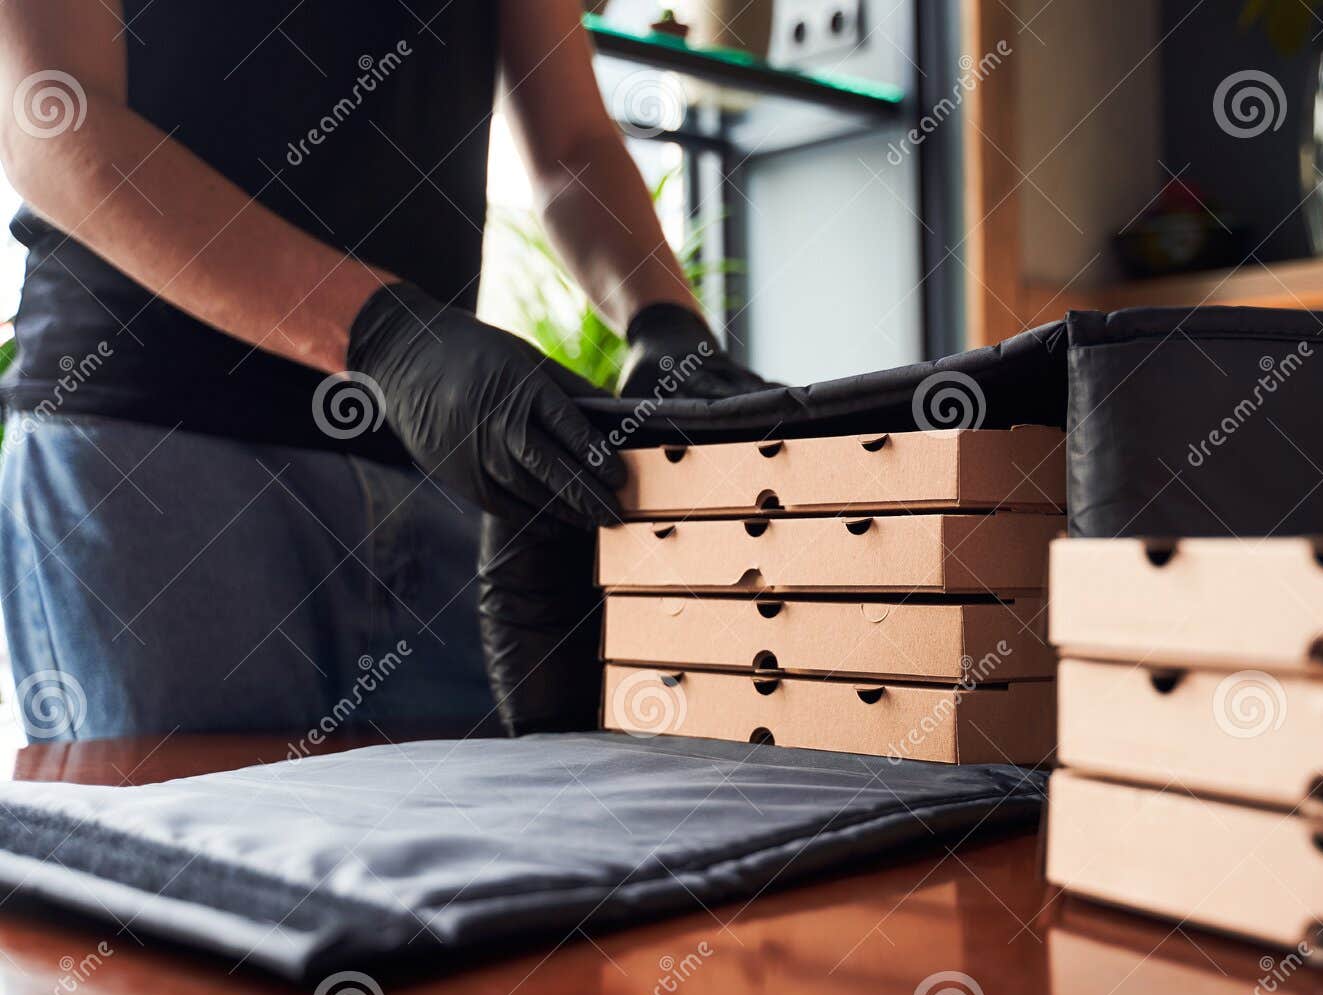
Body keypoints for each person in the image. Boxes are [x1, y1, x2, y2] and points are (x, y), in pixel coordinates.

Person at [0, 0, 766, 742]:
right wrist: (380, 333)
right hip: (154, 455)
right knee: (191, 858)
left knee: (483, 855)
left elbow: (572, 143)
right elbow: (55, 124)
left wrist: (665, 322)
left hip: (429, 460)